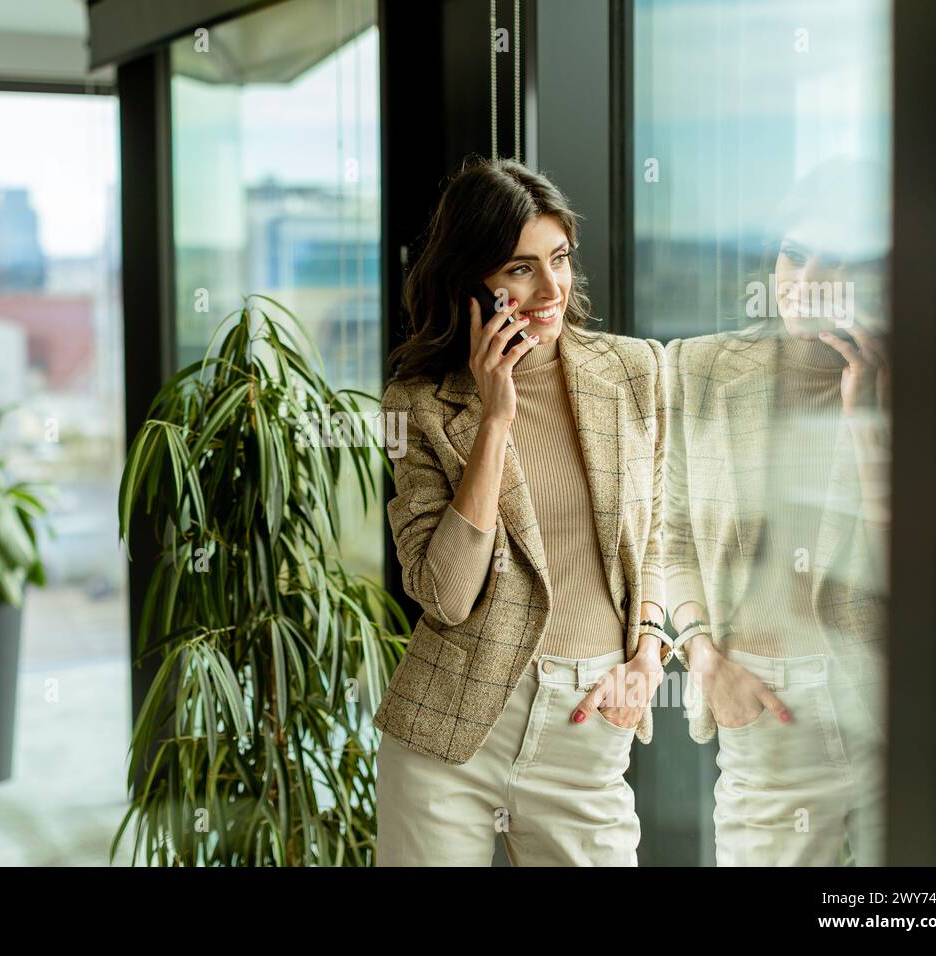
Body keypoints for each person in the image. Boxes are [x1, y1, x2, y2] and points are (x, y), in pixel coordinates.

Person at [372, 157, 669, 866]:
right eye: (519, 269)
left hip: (584, 721)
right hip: (452, 730)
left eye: (558, 259)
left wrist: (650, 654)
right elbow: (444, 595)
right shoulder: (418, 405)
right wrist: (496, 422)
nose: (549, 289)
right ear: (474, 279)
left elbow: (662, 531)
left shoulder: (634, 372)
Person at [663, 158, 890, 865]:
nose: (807, 278)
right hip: (770, 707)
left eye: (839, 259)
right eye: (795, 252)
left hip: (895, 708)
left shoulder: (933, 378)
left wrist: (869, 425)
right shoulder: (699, 370)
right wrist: (701, 655)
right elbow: (665, 536)